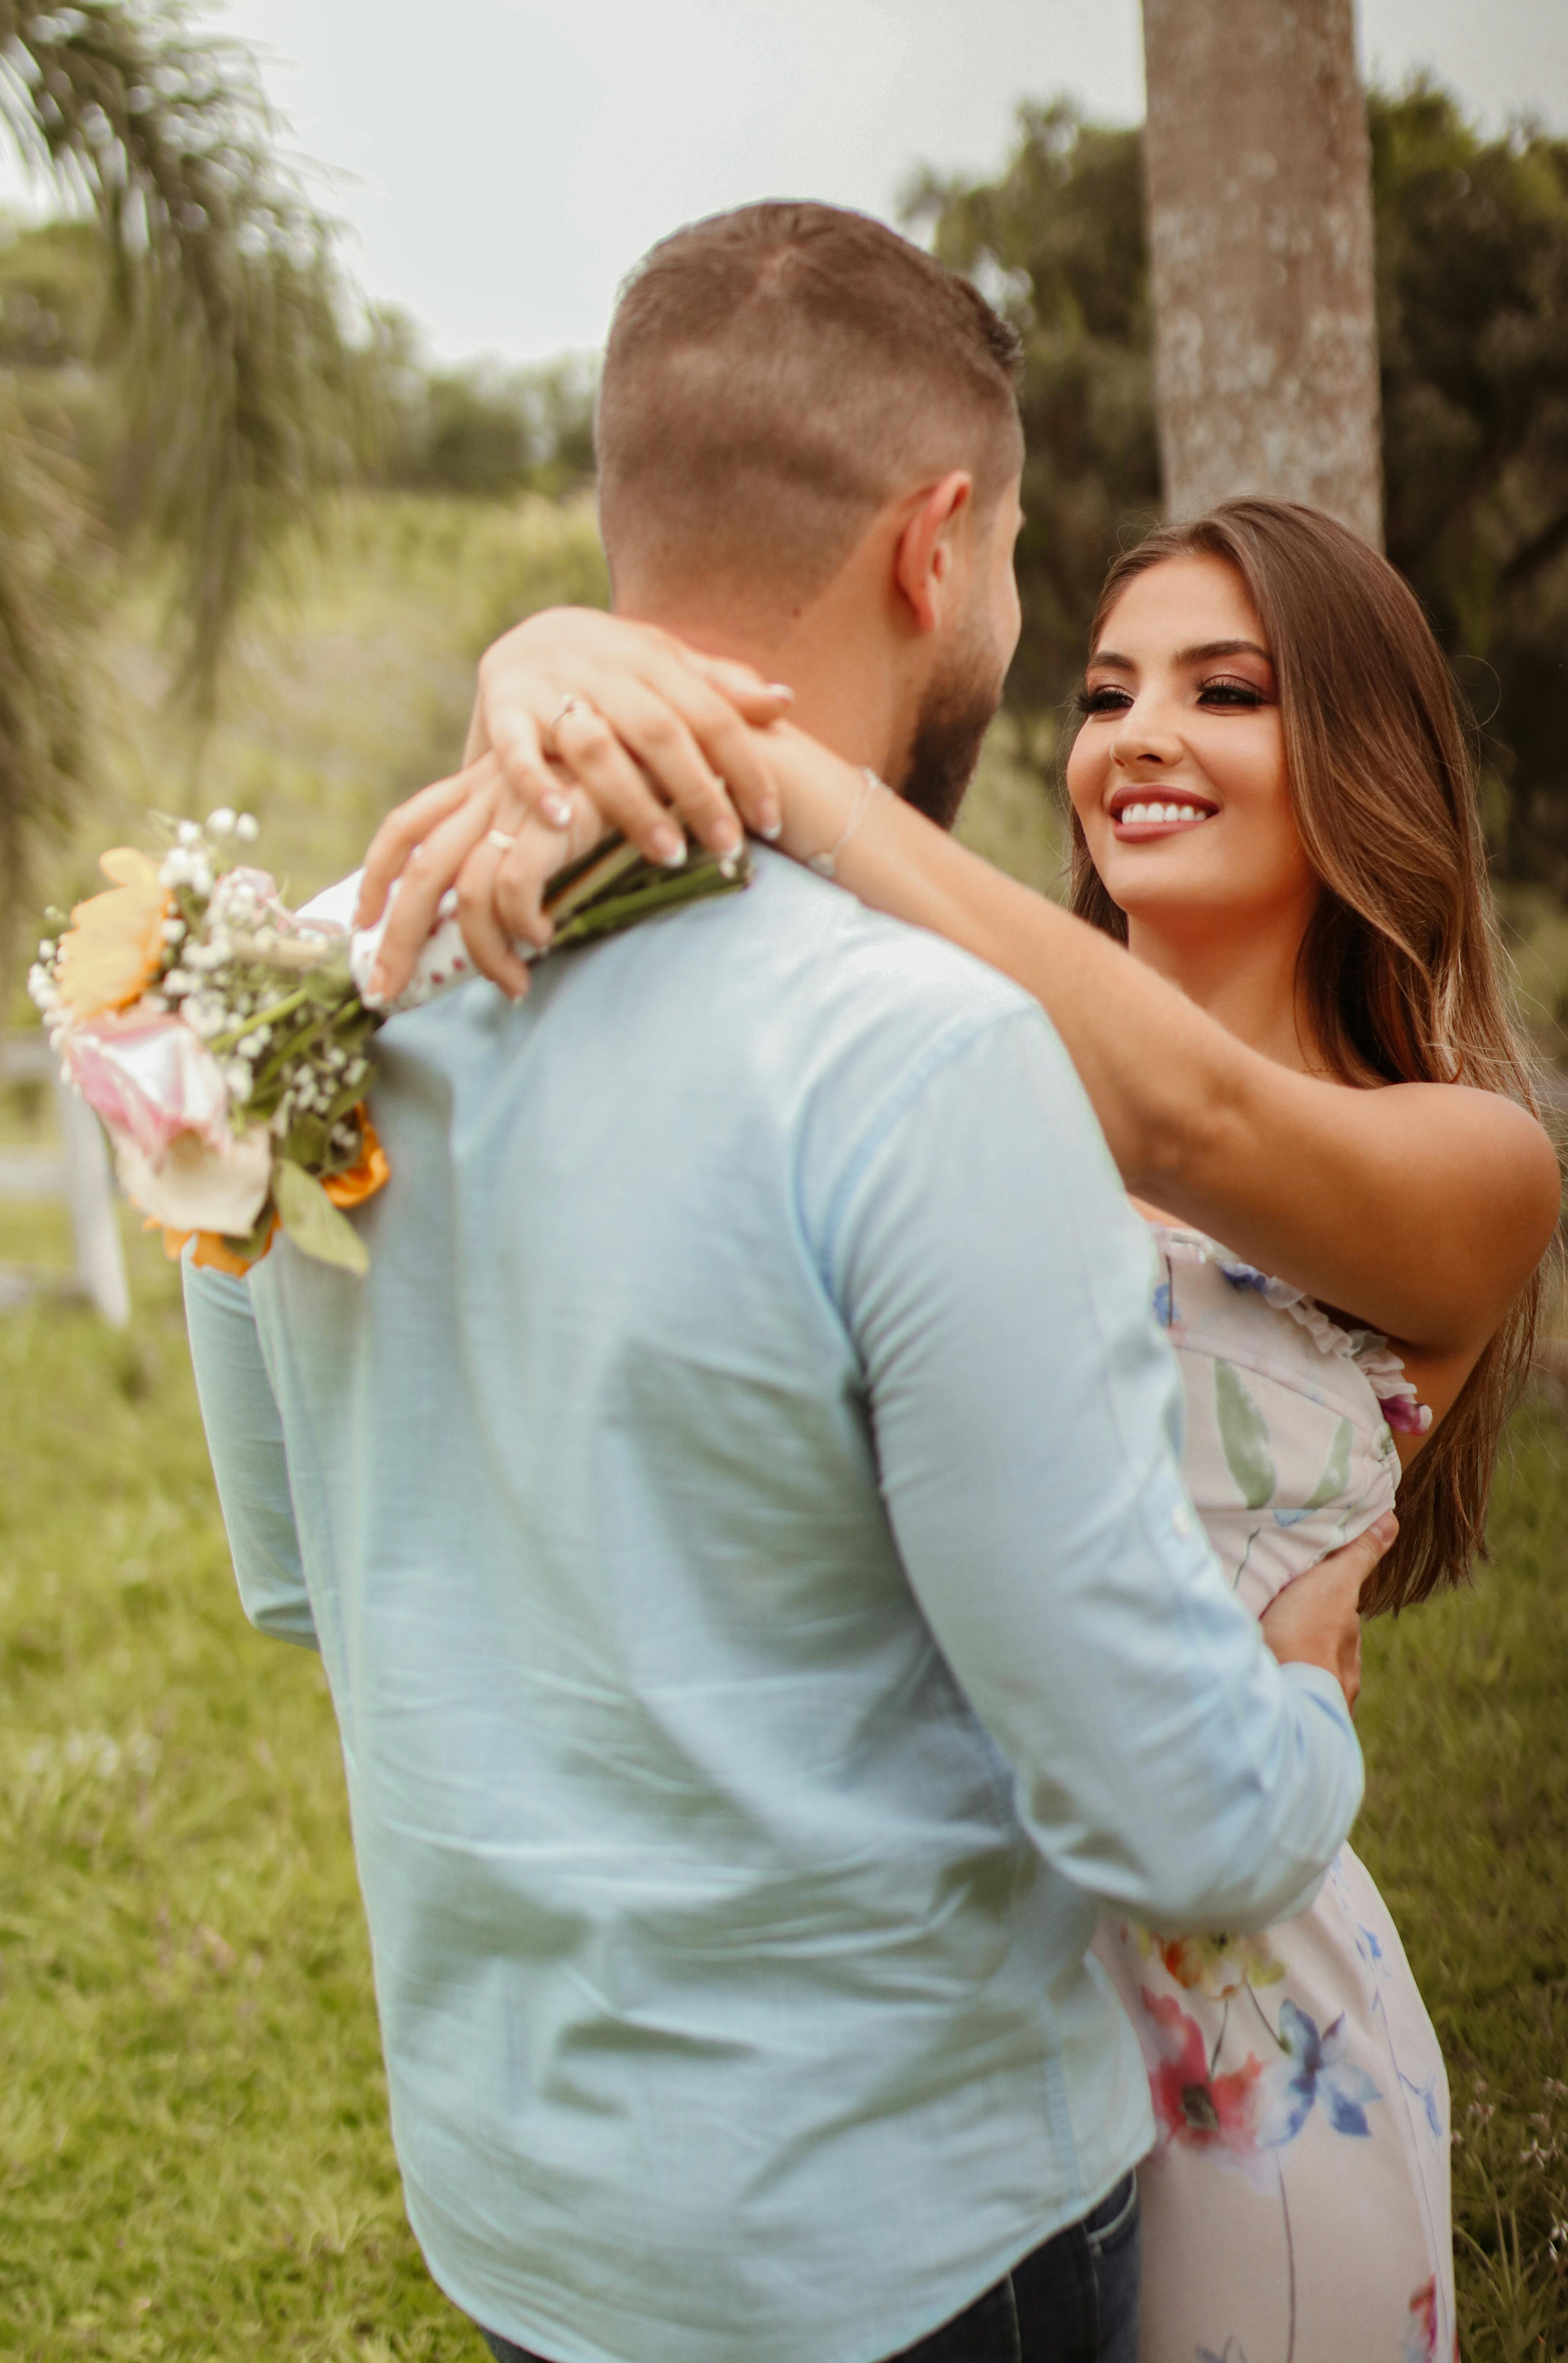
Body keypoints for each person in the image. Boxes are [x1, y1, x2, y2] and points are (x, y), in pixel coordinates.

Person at [181, 204, 1394, 2363]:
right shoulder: (927, 1062)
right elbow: (1173, 1815)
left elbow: (299, 1579)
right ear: (939, 545)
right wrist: (1306, 1693)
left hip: (525, 2224)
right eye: (1024, 562)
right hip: (902, 2252)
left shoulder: (321, 1021)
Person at [361, 508, 1561, 2356]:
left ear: (1367, 759)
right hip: (906, 2034)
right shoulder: (932, 1041)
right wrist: (542, 665)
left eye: (1223, 691)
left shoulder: (1470, 1162)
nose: (1138, 735)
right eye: (1103, 692)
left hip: (1231, 2033)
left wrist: (786, 768)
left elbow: (1193, 1124)